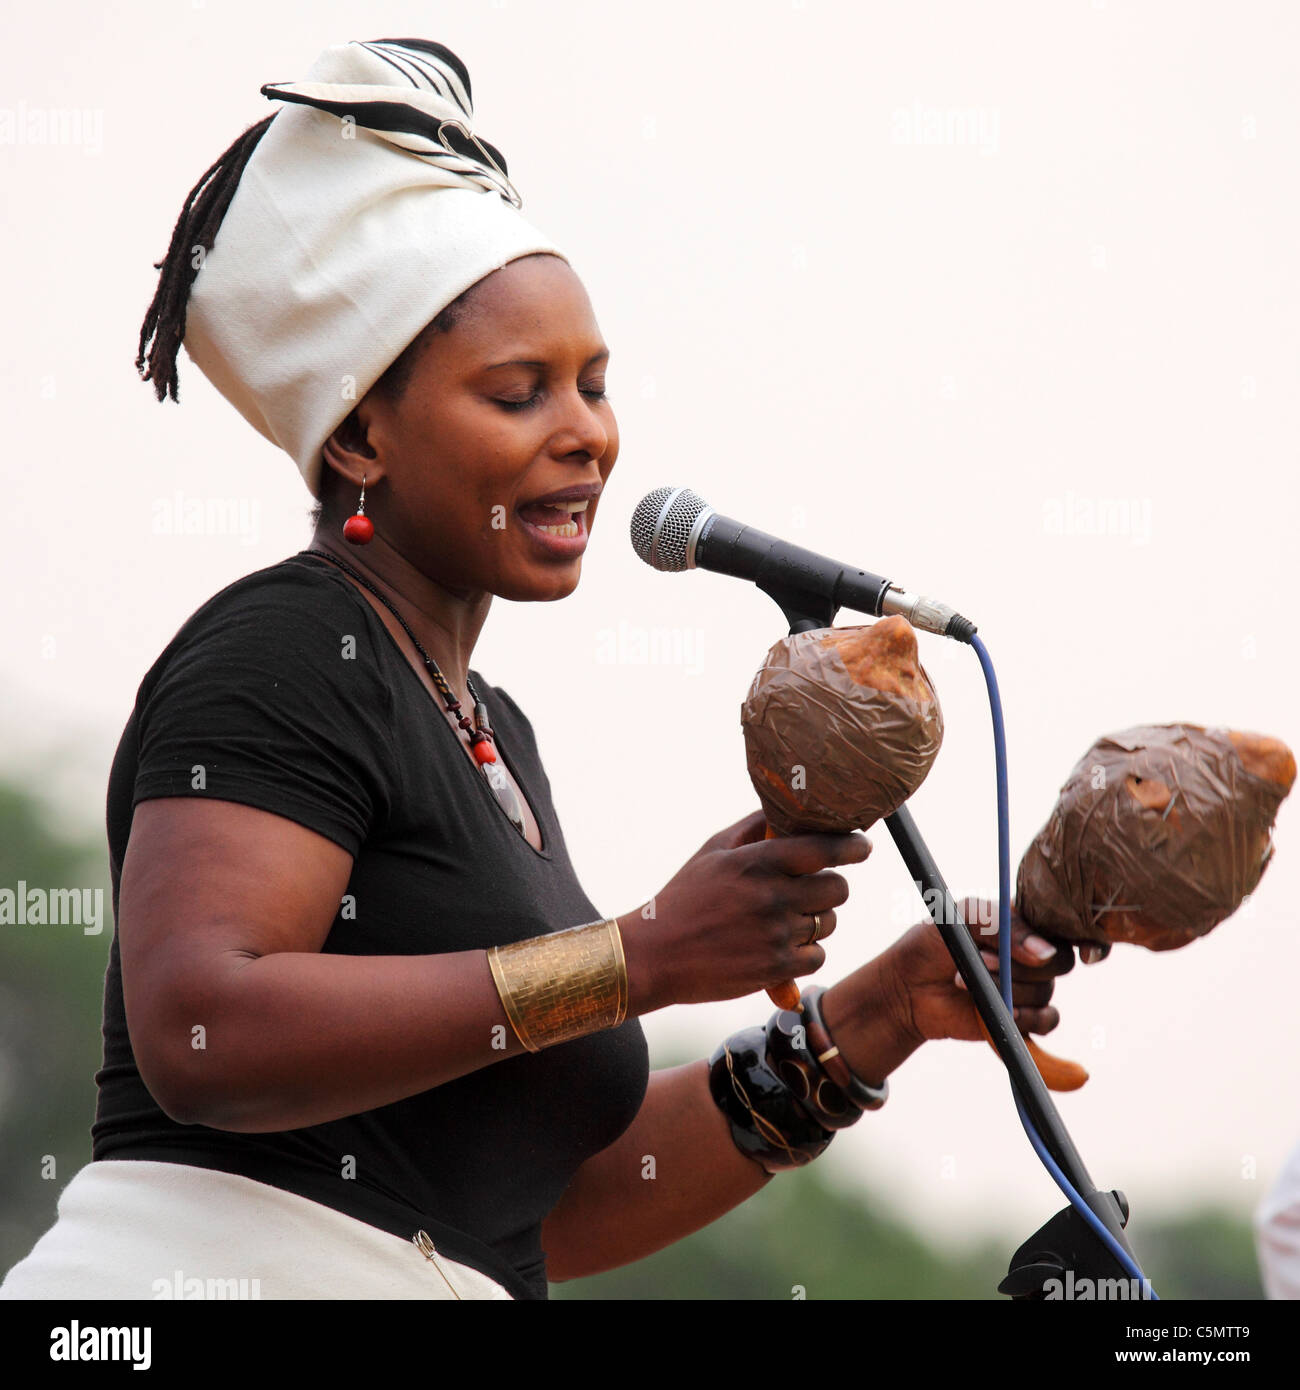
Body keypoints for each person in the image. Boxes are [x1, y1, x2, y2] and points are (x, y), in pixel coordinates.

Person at [0, 37, 1083, 1302]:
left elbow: (539, 1214)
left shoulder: (494, 733)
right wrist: (635, 958)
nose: (587, 434)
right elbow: (203, 1032)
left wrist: (875, 1014)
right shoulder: (283, 648)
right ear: (359, 433)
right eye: (519, 394)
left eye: (594, 385)